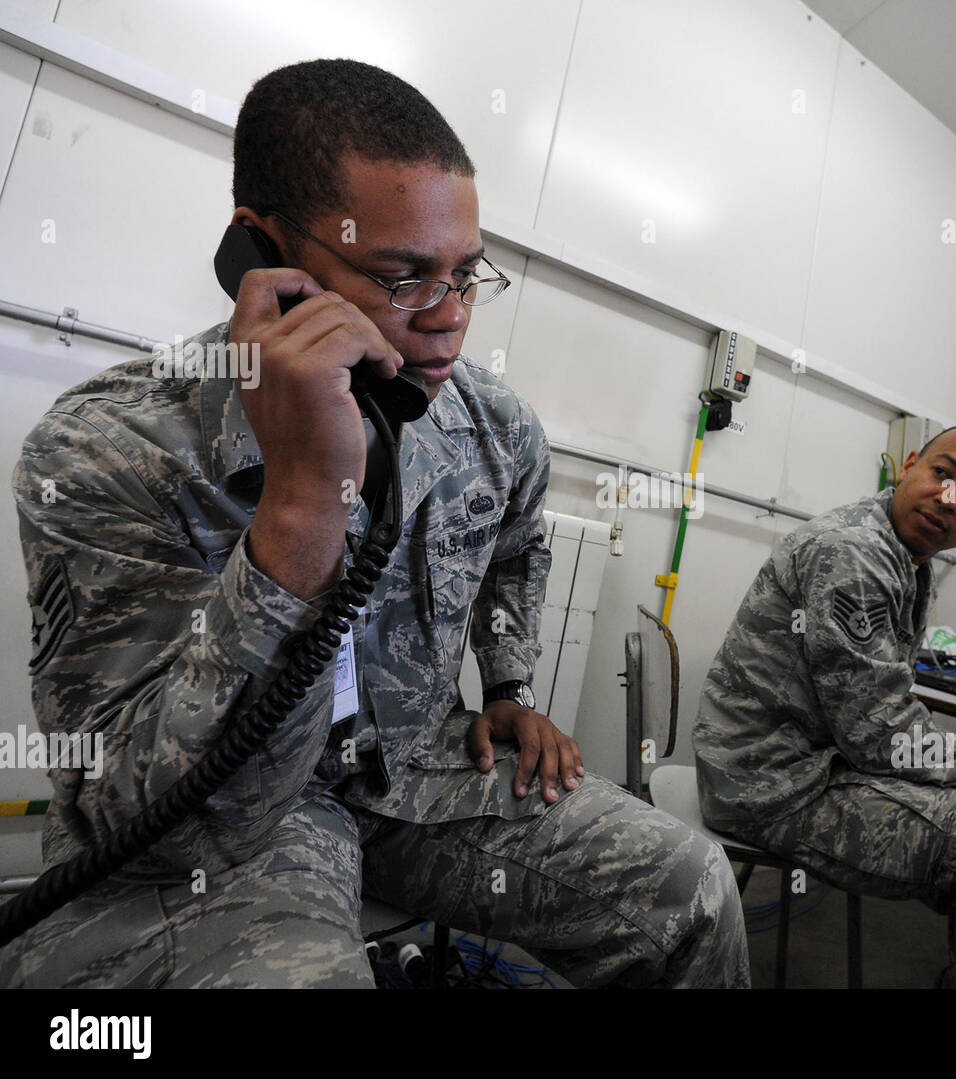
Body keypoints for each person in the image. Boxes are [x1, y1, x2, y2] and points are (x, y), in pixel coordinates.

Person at [0, 59, 748, 989]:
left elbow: (519, 545)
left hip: (414, 767)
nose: (450, 323)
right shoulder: (104, 448)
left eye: (467, 275)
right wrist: (303, 508)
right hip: (238, 822)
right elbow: (149, 812)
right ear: (261, 253)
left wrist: (509, 680)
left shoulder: (492, 424)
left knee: (692, 889)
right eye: (402, 279)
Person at [694, 424, 956, 987]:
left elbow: (883, 724)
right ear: (910, 464)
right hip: (773, 787)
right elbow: (884, 738)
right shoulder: (855, 553)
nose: (949, 498)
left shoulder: (902, 555)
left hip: (810, 764)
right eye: (943, 472)